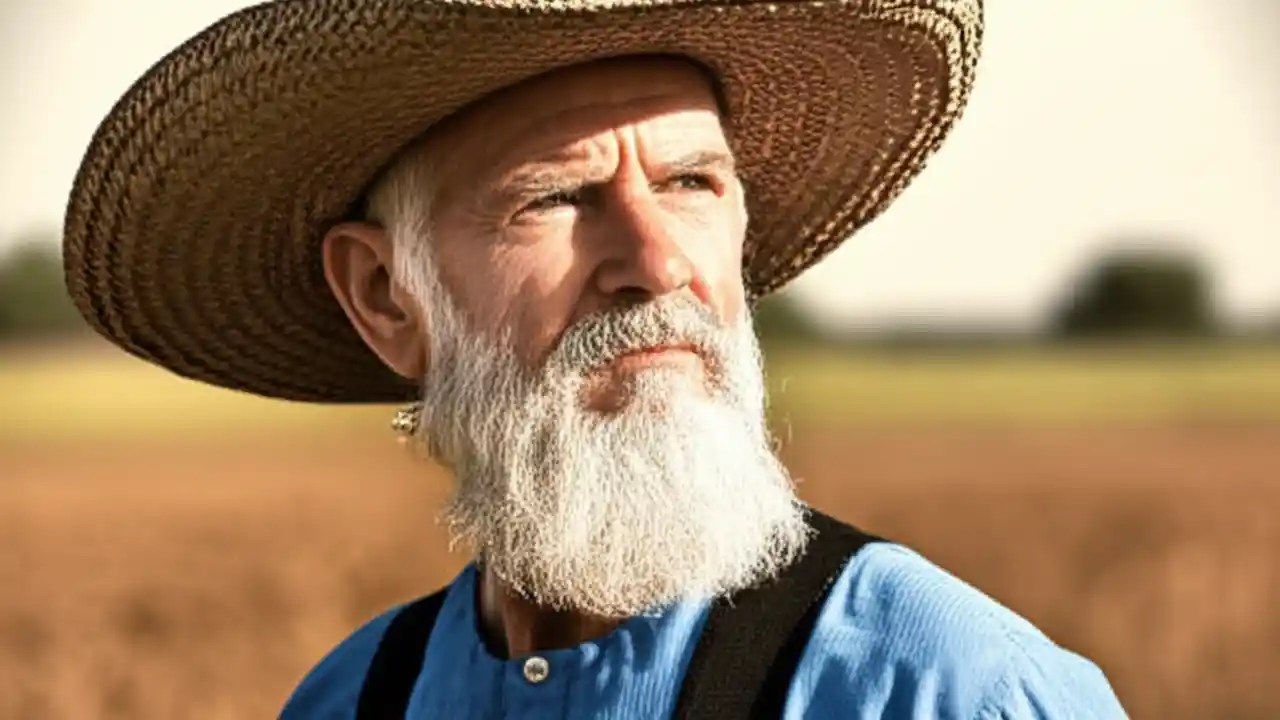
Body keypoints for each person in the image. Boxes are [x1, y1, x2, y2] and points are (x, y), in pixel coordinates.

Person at [64, 1, 1126, 717]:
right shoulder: (351, 701)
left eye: (691, 183)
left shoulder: (952, 689)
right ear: (385, 298)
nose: (657, 263)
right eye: (558, 197)